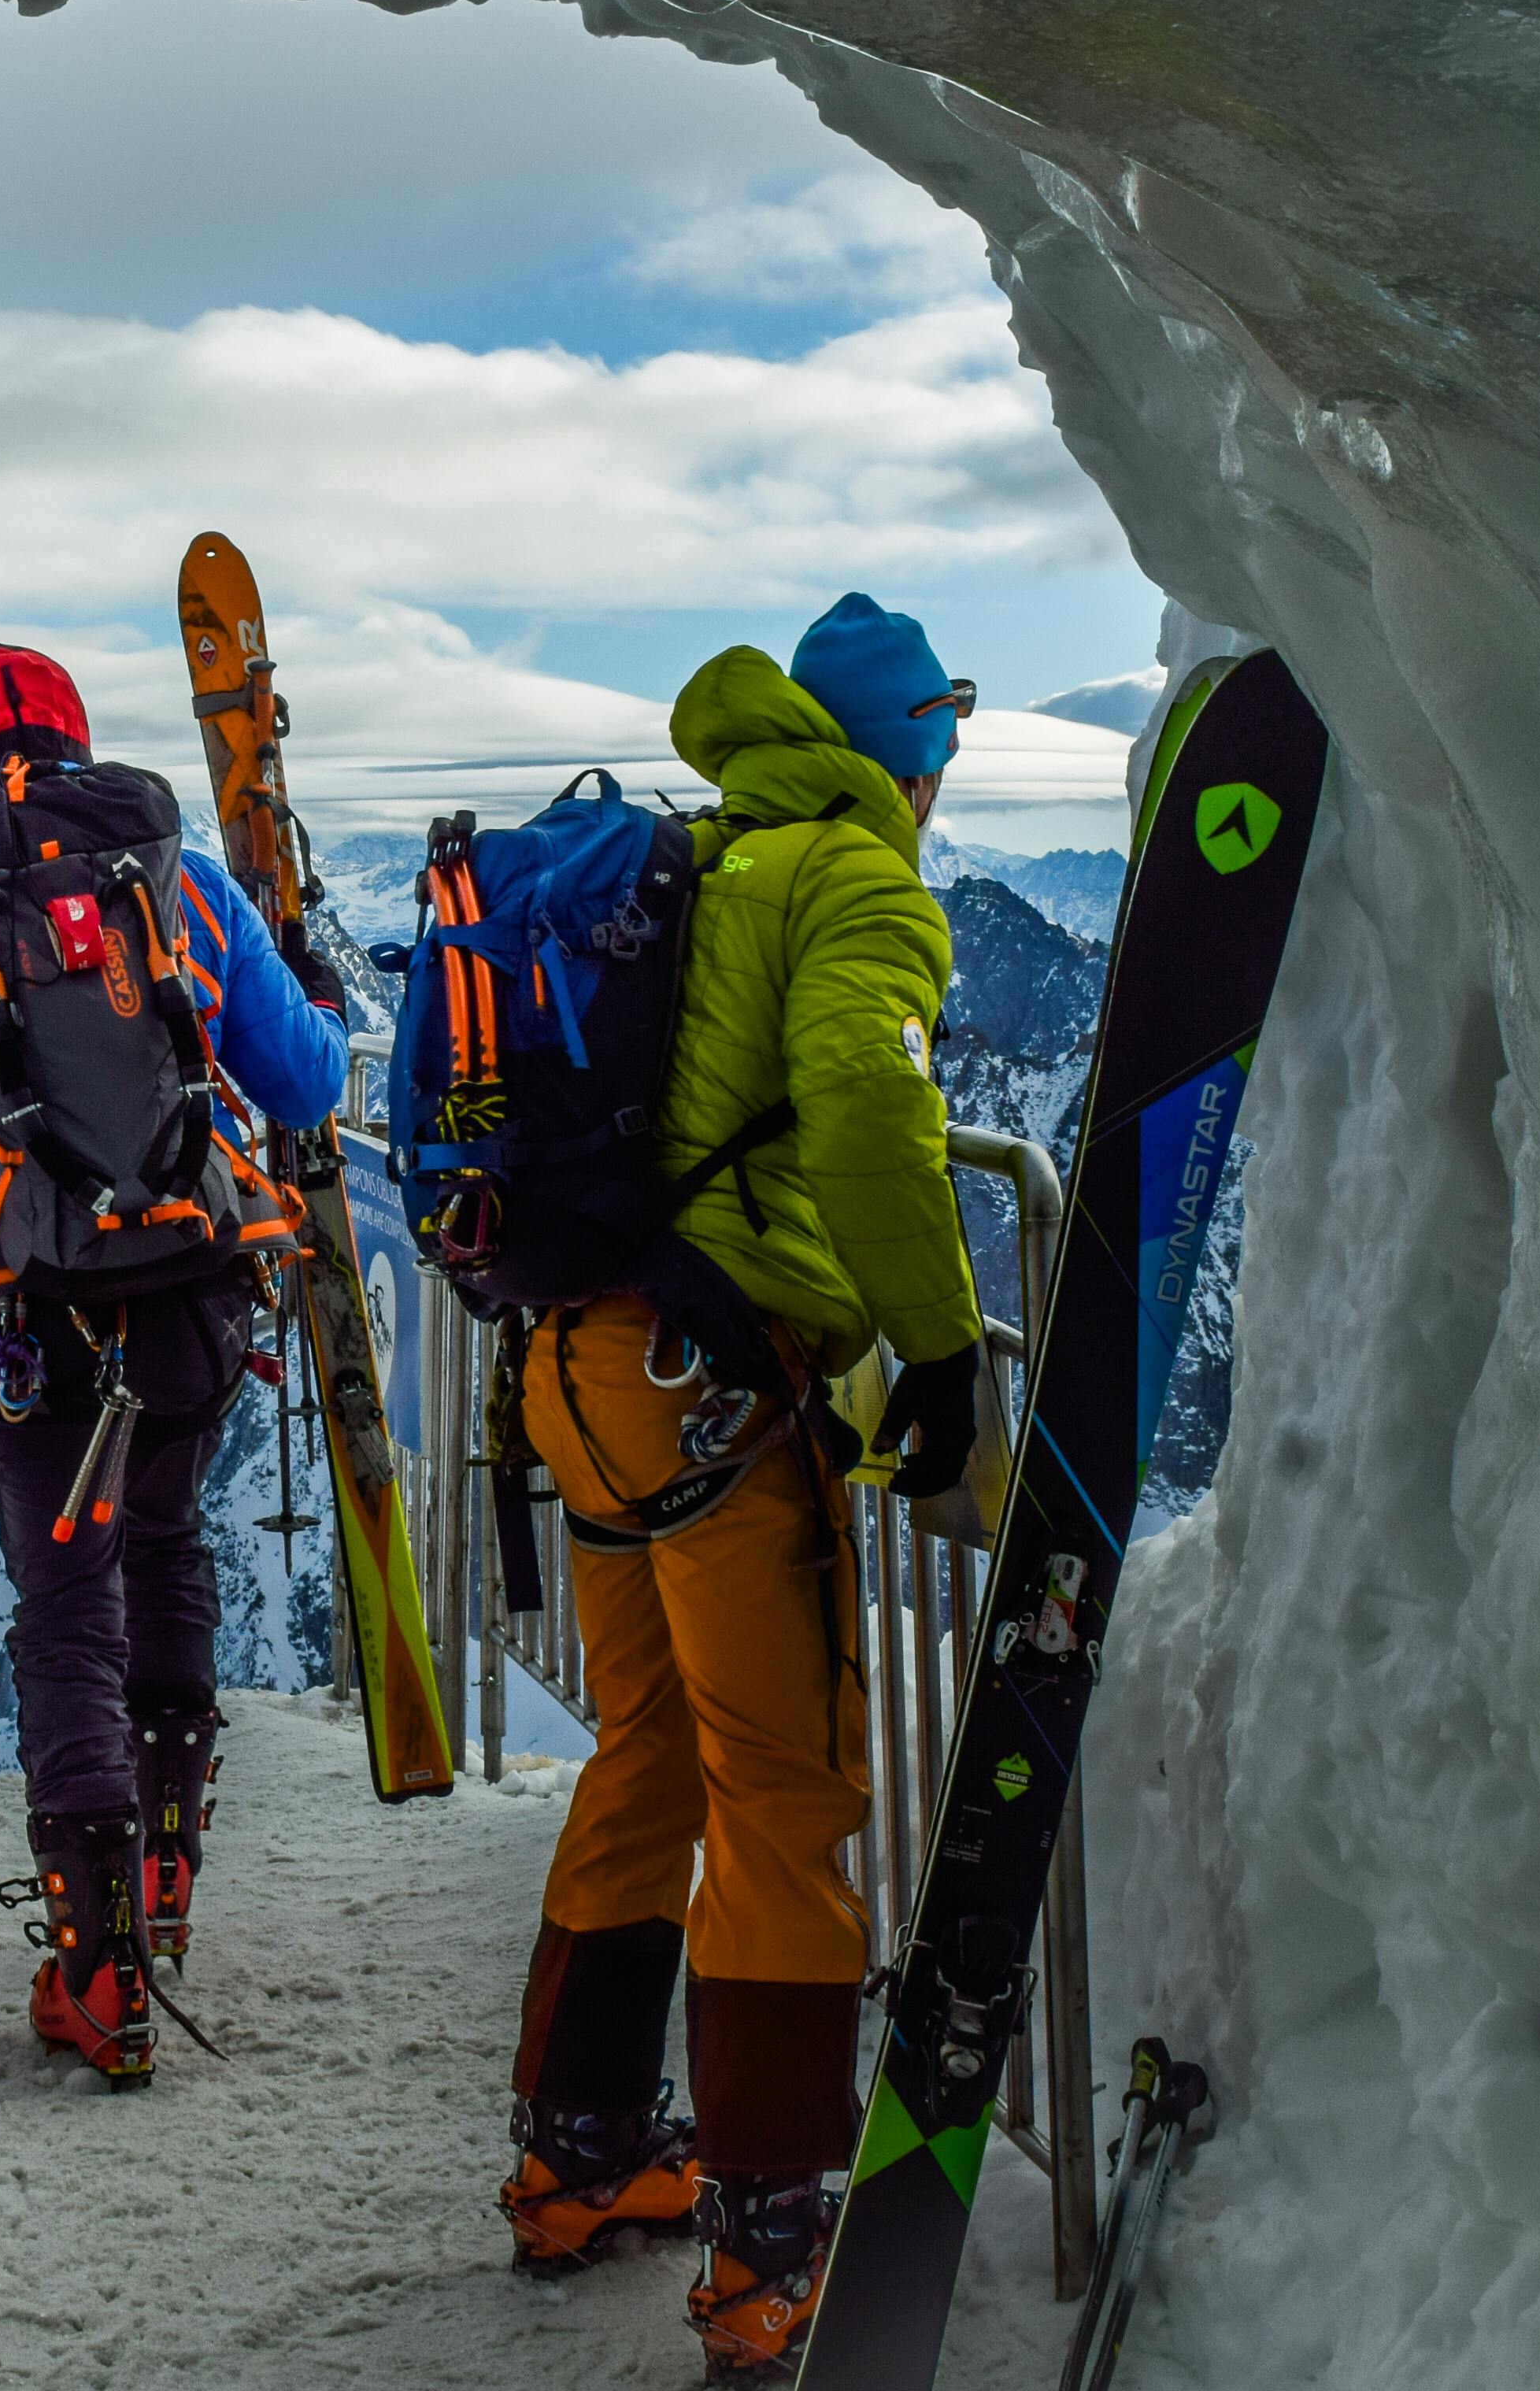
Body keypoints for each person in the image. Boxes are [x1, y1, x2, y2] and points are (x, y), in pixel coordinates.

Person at [494, 594, 986, 2382]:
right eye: (942, 732)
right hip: (710, 1390)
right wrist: (936, 1344)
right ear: (906, 751)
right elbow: (864, 1094)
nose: (946, 770)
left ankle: (578, 2157)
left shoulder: (700, 859)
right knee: (779, 1794)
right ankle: (773, 2238)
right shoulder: (853, 878)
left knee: (646, 1753)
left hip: (572, 1368)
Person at [0, 641, 349, 2086]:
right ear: (77, 737)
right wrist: (315, 995)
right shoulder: (175, 875)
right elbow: (306, 1080)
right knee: (166, 1544)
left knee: (66, 1609)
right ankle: (169, 1875)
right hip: (191, 1292)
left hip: (24, 1315)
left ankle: (96, 1964)